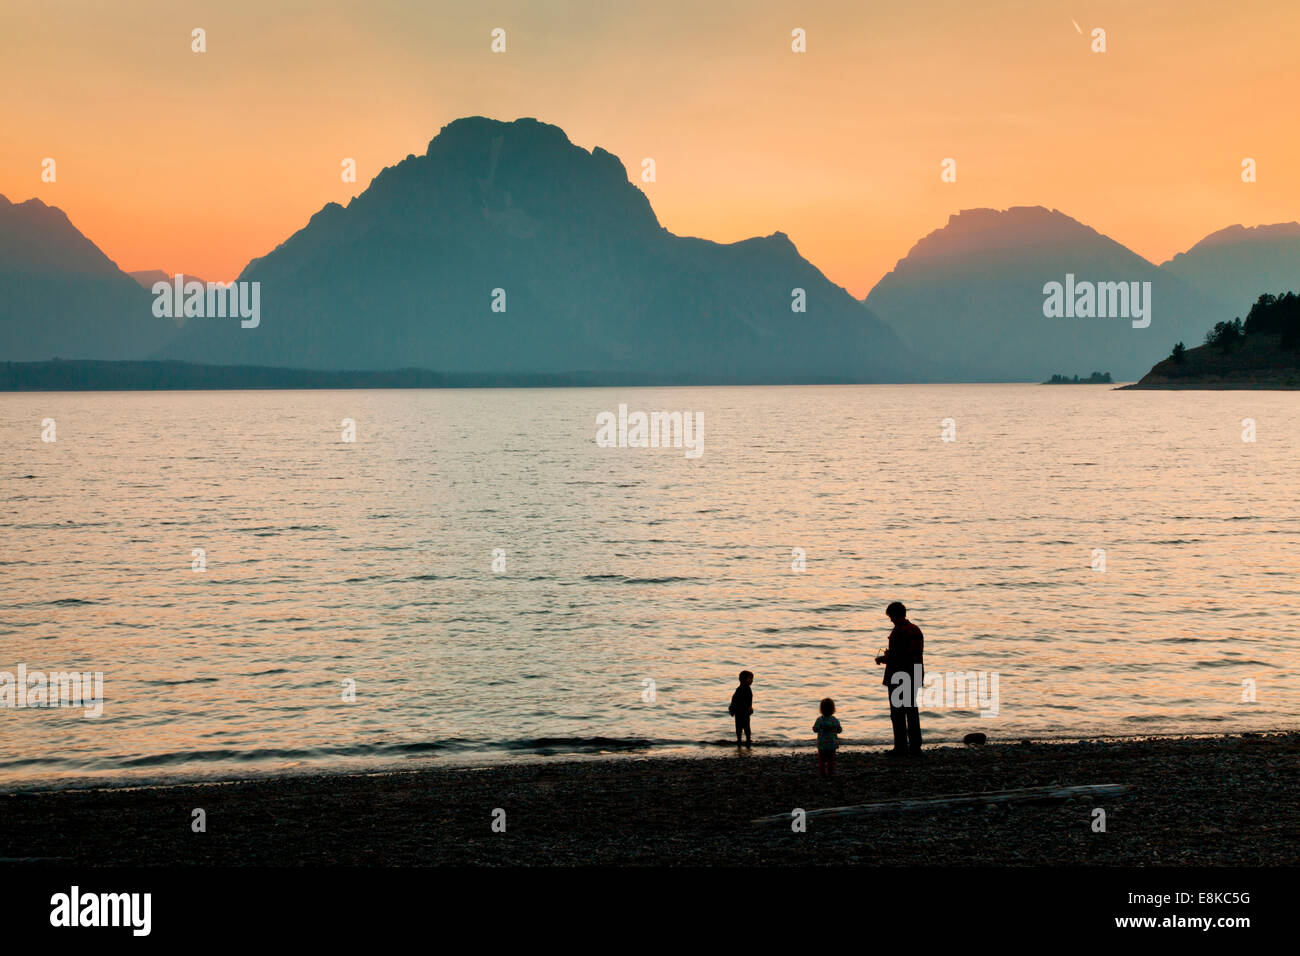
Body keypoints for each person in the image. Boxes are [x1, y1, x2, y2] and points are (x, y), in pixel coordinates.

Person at [875, 601, 923, 755]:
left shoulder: (898, 632)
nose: (890, 620)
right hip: (914, 673)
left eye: (891, 617)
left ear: (896, 615)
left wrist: (883, 658)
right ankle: (915, 746)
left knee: (897, 713)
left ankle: (901, 747)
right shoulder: (916, 629)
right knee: (912, 711)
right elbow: (914, 654)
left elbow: (896, 657)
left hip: (899, 676)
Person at [813, 697, 842, 777]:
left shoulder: (819, 720)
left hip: (822, 744)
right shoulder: (834, 720)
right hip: (832, 743)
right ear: (833, 709)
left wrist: (819, 729)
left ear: (821, 709)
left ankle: (822, 773)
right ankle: (830, 773)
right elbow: (839, 730)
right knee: (831, 759)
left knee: (821, 759)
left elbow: (815, 729)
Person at [729, 670, 754, 745]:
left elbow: (734, 699)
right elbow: (748, 700)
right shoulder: (747, 689)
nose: (752, 681)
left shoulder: (739, 689)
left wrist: (732, 708)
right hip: (744, 712)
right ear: (744, 680)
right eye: (750, 679)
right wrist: (750, 708)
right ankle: (748, 741)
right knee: (746, 728)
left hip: (739, 712)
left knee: (739, 728)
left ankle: (739, 741)